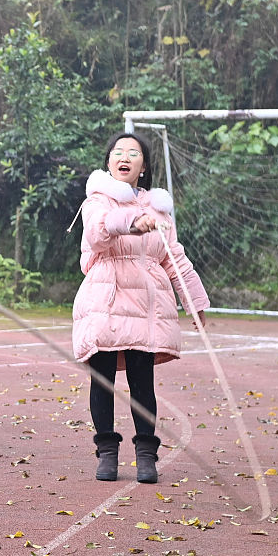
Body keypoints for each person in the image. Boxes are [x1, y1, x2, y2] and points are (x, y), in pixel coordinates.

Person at [71, 131, 210, 484]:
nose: (124, 156)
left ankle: (146, 455)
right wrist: (133, 224)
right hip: (106, 299)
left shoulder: (159, 209)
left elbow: (173, 257)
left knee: (142, 382)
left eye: (133, 153)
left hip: (148, 305)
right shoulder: (97, 200)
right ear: (109, 162)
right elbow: (98, 234)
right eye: (118, 151)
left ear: (143, 166)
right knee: (101, 381)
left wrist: (194, 301)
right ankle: (107, 452)